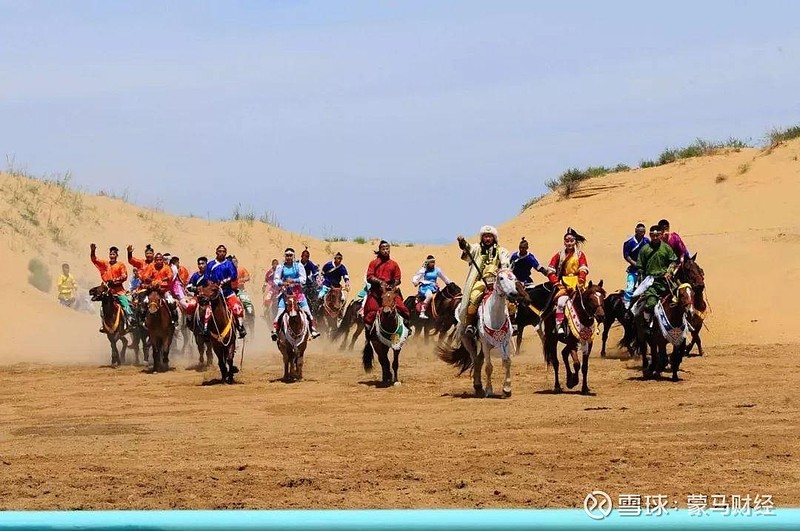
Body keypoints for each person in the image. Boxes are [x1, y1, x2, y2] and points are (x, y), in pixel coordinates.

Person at [454, 226, 511, 336]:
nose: (487, 239)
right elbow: (468, 249)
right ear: (482, 238)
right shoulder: (477, 248)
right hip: (480, 281)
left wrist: (503, 266)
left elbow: (505, 260)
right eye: (485, 236)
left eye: (490, 236)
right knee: (473, 298)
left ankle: (513, 323)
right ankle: (470, 325)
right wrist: (463, 243)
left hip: (497, 281)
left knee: (511, 300)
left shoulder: (501, 250)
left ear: (494, 237)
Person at [271, 248, 320, 341]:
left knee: (307, 312)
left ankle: (312, 330)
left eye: (290, 255)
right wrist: (282, 283)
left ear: (293, 256)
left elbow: (303, 279)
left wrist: (294, 280)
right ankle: (275, 331)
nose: (289, 257)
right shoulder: (280, 267)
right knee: (280, 312)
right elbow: (276, 279)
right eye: (287, 255)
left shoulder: (299, 266)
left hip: (298, 293)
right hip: (285, 293)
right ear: (285, 256)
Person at [546, 228, 589, 332]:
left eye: (571, 241)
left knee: (591, 300)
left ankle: (593, 323)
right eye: (567, 241)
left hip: (579, 283)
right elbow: (550, 271)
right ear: (564, 242)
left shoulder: (580, 254)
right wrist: (556, 283)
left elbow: (583, 268)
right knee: (560, 302)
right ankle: (559, 324)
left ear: (575, 242)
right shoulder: (559, 255)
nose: (569, 243)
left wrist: (581, 280)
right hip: (564, 283)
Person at [635, 225, 678, 324]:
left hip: (666, 281)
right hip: (651, 283)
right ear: (650, 235)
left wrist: (669, 272)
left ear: (660, 235)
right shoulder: (644, 249)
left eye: (657, 235)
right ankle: (646, 325)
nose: (655, 238)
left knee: (682, 298)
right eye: (653, 235)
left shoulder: (666, 248)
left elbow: (673, 262)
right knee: (650, 303)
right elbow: (640, 266)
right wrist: (643, 279)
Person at [363, 240, 410, 330]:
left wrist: (392, 285)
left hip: (390, 292)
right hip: (376, 292)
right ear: (380, 250)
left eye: (387, 249)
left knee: (402, 309)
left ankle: (406, 329)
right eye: (383, 249)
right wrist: (380, 282)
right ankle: (369, 336)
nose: (385, 251)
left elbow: (398, 278)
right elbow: (369, 277)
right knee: (371, 312)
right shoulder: (374, 263)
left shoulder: (394, 264)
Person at [204, 244, 247, 338]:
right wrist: (211, 283)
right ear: (216, 252)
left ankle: (240, 327)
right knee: (207, 310)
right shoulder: (210, 264)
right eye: (220, 251)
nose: (222, 253)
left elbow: (233, 275)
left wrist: (225, 281)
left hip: (227, 291)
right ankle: (205, 329)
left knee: (237, 307)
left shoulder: (229, 264)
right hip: (214, 293)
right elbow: (206, 276)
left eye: (223, 251)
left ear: (226, 253)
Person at [90, 244, 133, 330]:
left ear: (117, 255)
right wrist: (93, 251)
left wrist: (114, 280)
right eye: (111, 254)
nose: (112, 256)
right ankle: (104, 325)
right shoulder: (105, 264)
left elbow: (124, 276)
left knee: (125, 304)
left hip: (118, 291)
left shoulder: (121, 265)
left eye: (114, 254)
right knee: (102, 309)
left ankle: (130, 320)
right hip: (107, 291)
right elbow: (94, 260)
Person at [140, 253, 180, 324]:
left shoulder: (167, 267)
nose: (159, 261)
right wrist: (151, 281)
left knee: (171, 302)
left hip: (163, 290)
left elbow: (170, 276)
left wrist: (161, 281)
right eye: (157, 260)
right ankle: (142, 320)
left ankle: (174, 319)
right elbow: (145, 276)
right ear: (154, 261)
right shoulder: (151, 266)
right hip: (152, 290)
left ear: (163, 260)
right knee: (144, 301)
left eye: (160, 260)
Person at [411, 255, 451, 319]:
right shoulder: (424, 270)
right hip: (425, 287)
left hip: (434, 287)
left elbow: (444, 278)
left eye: (434, 262)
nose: (433, 264)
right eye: (431, 262)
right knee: (429, 296)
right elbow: (416, 277)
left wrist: (450, 283)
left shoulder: (437, 270)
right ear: (428, 263)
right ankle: (422, 312)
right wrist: (416, 282)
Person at [622, 223, 650, 309]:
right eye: (640, 231)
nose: (642, 233)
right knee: (630, 288)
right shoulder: (629, 243)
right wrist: (635, 264)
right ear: (636, 231)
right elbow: (626, 256)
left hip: (645, 270)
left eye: (643, 231)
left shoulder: (647, 241)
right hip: (633, 270)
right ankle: (626, 305)